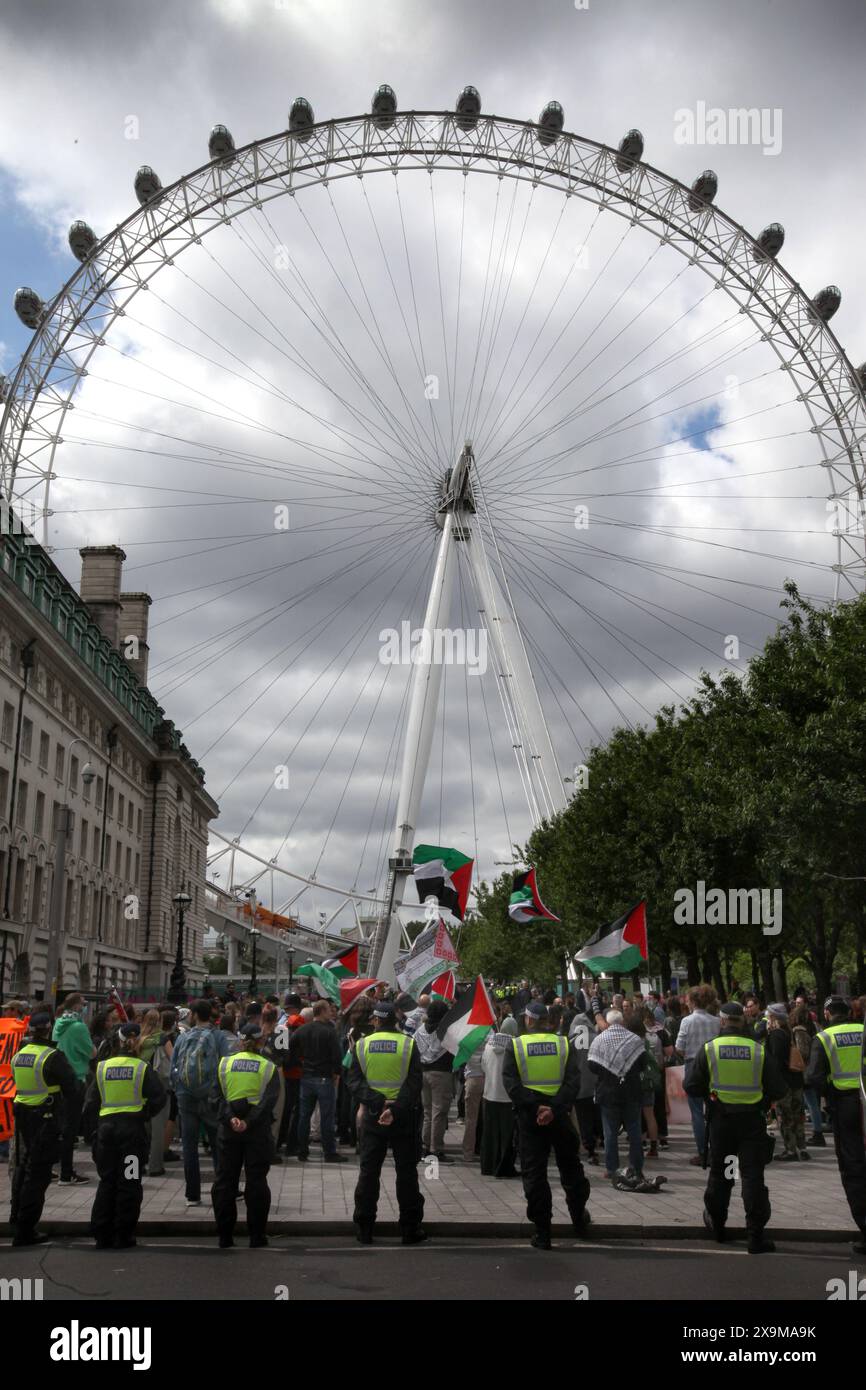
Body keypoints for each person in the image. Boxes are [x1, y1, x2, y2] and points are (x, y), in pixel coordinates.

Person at [684, 1000, 786, 1254]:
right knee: (752, 1176)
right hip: (751, 1124)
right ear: (744, 1021)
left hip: (722, 1123)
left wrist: (711, 1097)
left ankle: (718, 1227)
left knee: (724, 1175)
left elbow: (691, 1085)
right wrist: (761, 1103)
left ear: (721, 1021)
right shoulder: (758, 1050)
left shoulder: (711, 1049)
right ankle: (755, 1236)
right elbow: (778, 1089)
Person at [503, 1000, 591, 1249]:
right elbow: (574, 1082)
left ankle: (543, 1232)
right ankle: (579, 1218)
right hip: (559, 1116)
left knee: (535, 1175)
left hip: (530, 1119)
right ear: (548, 1022)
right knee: (571, 1170)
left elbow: (511, 1085)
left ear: (529, 1020)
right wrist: (553, 1108)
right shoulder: (563, 1045)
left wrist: (536, 1107)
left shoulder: (517, 1046)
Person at [82, 1020, 166, 1250]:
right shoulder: (141, 1068)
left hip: (106, 1132)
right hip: (132, 1132)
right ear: (136, 1041)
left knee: (107, 1181)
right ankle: (123, 1234)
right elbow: (159, 1098)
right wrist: (144, 1114)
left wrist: (93, 1132)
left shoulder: (102, 1067)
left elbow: (90, 1104)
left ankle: (102, 1234)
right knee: (129, 1182)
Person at [347, 1001, 425, 1245]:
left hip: (373, 1115)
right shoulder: (408, 1044)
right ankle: (410, 1230)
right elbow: (414, 1084)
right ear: (396, 1020)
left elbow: (353, 1083)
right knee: (406, 1174)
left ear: (376, 1020)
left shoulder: (361, 1045)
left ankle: (365, 1229)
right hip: (402, 1117)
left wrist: (378, 1103)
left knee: (369, 1173)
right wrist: (393, 1108)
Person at [9, 1011, 77, 1246]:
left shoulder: (20, 1053)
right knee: (37, 1174)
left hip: (23, 1116)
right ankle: (26, 1229)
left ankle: (17, 1219)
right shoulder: (52, 1056)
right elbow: (72, 1088)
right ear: (49, 1029)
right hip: (44, 1119)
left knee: (24, 1167)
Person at [211, 1021, 281, 1248]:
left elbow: (216, 1098)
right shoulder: (268, 1067)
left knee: (225, 1182)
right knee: (257, 1182)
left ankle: (224, 1236)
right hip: (256, 1131)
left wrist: (231, 1118)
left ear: (240, 1041)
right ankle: (257, 1236)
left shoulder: (224, 1064)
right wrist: (248, 1122)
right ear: (261, 1041)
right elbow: (268, 1103)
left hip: (228, 1131)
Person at [804, 996, 866, 1254]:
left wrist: (829, 1091)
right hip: (865, 1100)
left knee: (853, 1167)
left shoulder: (825, 1038)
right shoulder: (863, 1030)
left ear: (828, 1014)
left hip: (845, 1107)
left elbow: (813, 1077)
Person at [171, 998, 236, 1208]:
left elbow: (174, 1066)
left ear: (195, 1015)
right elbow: (225, 1066)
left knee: (189, 1146)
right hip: (211, 1096)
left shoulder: (183, 1037)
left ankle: (193, 1195)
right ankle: (223, 1189)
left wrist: (180, 1090)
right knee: (218, 1144)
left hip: (186, 1096)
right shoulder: (217, 1037)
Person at [588, 1009, 657, 1191]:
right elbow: (642, 1064)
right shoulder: (634, 1040)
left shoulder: (600, 1039)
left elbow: (592, 1066)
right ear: (623, 1023)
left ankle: (612, 1169)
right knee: (634, 1131)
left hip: (608, 1092)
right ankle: (636, 1167)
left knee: (610, 1132)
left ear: (609, 1023)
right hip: (631, 1092)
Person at [289, 998, 346, 1163]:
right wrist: (336, 1073)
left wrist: (297, 1062)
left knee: (304, 1116)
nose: (331, 1012)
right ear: (321, 1011)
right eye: (329, 1009)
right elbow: (337, 1056)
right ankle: (329, 1152)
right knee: (326, 1117)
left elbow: (289, 1046)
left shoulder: (302, 1030)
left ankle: (302, 1151)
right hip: (324, 1078)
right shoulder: (329, 1032)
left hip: (306, 1077)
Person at [51, 992, 95, 1187]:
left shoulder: (58, 1024)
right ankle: (67, 1174)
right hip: (75, 1078)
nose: (85, 1007)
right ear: (77, 1006)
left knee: (58, 1126)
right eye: (84, 1004)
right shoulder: (78, 1027)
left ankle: (54, 1168)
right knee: (70, 1128)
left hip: (56, 1079)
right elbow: (92, 1052)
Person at [675, 985, 721, 1164]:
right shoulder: (716, 1021)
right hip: (714, 1068)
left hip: (693, 1066)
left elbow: (679, 1047)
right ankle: (716, 1148)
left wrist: (687, 1053)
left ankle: (703, 1151)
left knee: (696, 1112)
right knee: (713, 1107)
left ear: (692, 1002)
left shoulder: (687, 1021)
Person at [764, 1003, 807, 1160]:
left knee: (786, 1117)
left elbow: (774, 1061)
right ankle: (802, 1148)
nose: (767, 1018)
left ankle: (790, 1151)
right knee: (798, 1115)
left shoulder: (775, 1035)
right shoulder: (790, 1031)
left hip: (785, 1082)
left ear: (773, 1017)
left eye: (768, 1015)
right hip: (796, 1079)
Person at [416, 998, 453, 1163]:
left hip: (423, 1073)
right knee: (440, 1112)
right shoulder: (445, 1032)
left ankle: (425, 1147)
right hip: (441, 1074)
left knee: (427, 1112)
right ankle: (436, 1150)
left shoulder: (420, 1030)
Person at [480, 1015, 518, 1177]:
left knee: (489, 1133)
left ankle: (488, 1166)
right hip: (508, 1097)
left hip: (489, 1094)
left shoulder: (488, 1045)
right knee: (507, 1136)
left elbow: (483, 1067)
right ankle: (505, 1168)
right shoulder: (515, 1047)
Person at [138, 1008, 173, 1177]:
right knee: (158, 1127)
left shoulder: (138, 1039)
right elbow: (172, 1058)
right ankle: (155, 1166)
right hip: (159, 1085)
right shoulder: (162, 1038)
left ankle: (138, 1164)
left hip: (140, 1085)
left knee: (142, 1127)